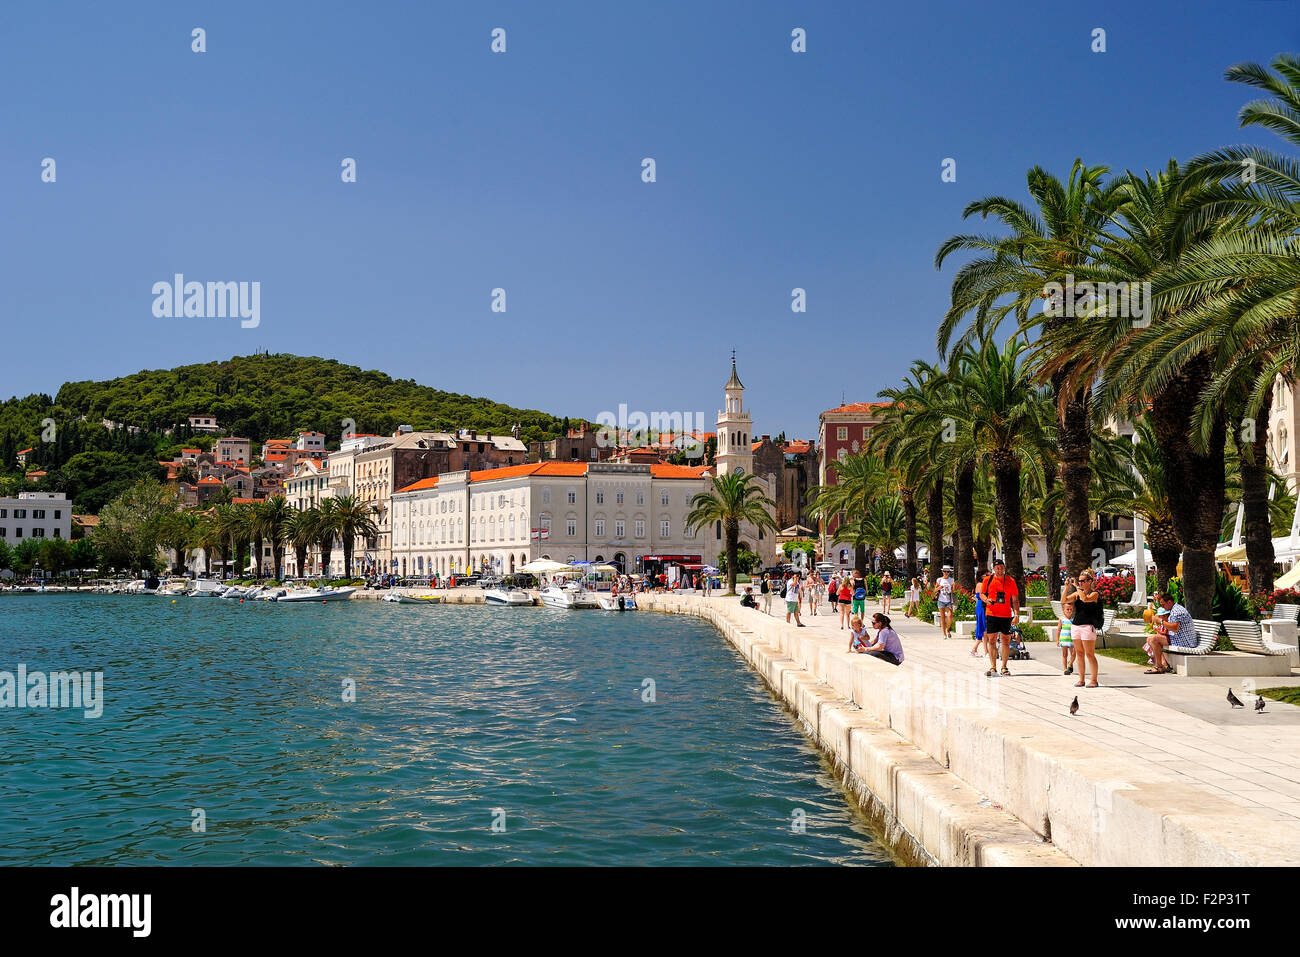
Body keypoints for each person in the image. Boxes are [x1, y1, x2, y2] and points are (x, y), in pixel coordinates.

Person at [1063, 570, 1102, 687]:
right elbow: (1064, 600)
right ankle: (1081, 679)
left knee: (1089, 654)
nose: (1080, 583)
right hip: (1076, 626)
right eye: (1079, 581)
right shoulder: (1077, 594)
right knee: (1079, 654)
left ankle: (1094, 680)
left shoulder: (1094, 594)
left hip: (1088, 626)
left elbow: (1085, 599)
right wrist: (1067, 587)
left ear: (1090, 581)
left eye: (1082, 581)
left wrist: (1077, 588)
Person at [982, 559, 1020, 677]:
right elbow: (982, 594)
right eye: (997, 568)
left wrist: (1017, 614)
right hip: (992, 613)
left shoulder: (1010, 581)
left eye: (1002, 568)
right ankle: (993, 667)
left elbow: (1015, 600)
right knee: (992, 639)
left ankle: (1004, 666)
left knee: (1005, 640)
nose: (1000, 570)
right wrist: (986, 600)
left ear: (1004, 568)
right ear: (993, 569)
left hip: (1005, 615)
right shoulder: (987, 580)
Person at [1150, 591, 1195, 673]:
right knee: (1153, 639)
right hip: (1178, 638)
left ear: (1169, 602)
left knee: (1152, 639)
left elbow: (1174, 628)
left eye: (1163, 605)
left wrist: (1160, 621)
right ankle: (1162, 664)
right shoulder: (1175, 609)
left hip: (1183, 641)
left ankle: (1159, 666)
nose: (1162, 607)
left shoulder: (1177, 611)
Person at [1057, 596, 1077, 676]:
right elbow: (1058, 630)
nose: (1069, 611)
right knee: (1064, 655)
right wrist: (1058, 640)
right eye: (1067, 609)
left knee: (1073, 654)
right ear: (1063, 610)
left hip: (1072, 640)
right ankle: (1065, 668)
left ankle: (1070, 663)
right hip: (1064, 639)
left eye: (1071, 609)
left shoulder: (1073, 620)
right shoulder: (1062, 619)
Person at [936, 566, 955, 639]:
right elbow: (935, 590)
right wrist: (939, 588)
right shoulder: (939, 580)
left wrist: (953, 587)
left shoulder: (951, 580)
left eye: (948, 571)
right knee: (943, 617)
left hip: (949, 600)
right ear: (942, 571)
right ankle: (944, 634)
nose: (946, 573)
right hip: (941, 600)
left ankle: (948, 629)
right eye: (945, 571)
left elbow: (953, 591)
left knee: (950, 616)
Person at [971, 578, 987, 657]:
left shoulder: (979, 584)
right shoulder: (981, 584)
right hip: (982, 606)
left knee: (982, 628)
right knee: (983, 628)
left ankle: (975, 649)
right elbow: (982, 595)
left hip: (981, 606)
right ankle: (986, 652)